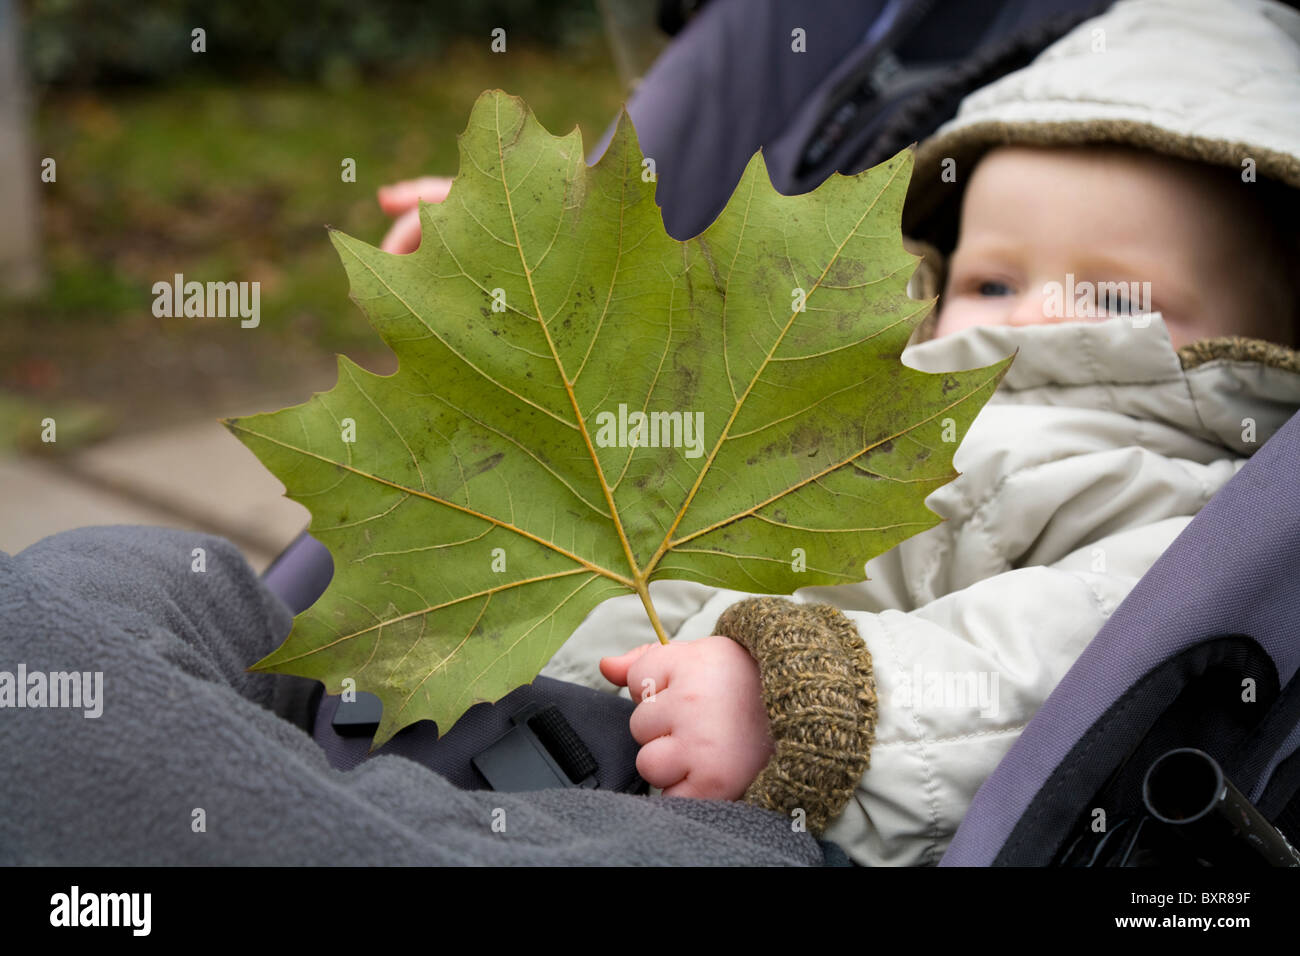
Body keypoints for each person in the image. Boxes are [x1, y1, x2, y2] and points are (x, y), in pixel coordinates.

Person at [535, 0, 1300, 865]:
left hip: (780, 813)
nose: (1040, 318)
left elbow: (1049, 665)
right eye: (993, 284)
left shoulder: (1179, 504)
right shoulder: (865, 405)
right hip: (561, 722)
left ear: (1270, 346)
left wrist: (804, 711)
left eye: (1115, 298)